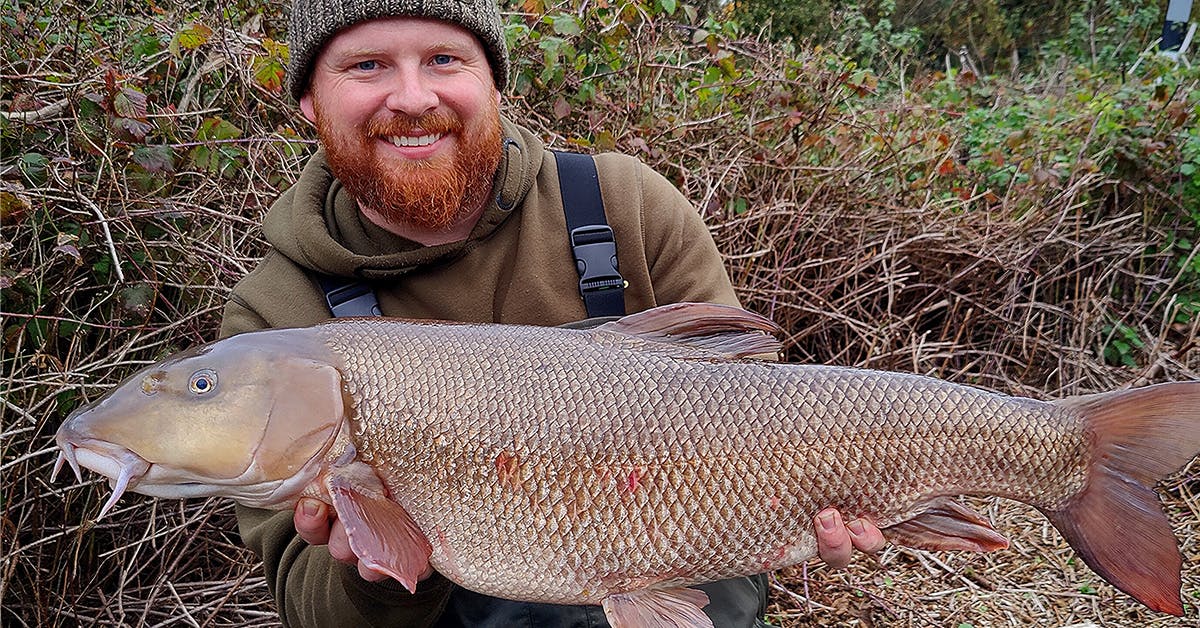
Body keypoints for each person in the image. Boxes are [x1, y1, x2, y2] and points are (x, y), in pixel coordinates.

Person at [219, 0, 886, 625]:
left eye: (445, 60)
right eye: (367, 65)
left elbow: (764, 413)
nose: (414, 98)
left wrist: (814, 504)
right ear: (308, 98)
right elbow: (307, 606)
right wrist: (376, 561)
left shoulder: (626, 205)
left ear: (494, 82)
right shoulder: (276, 323)